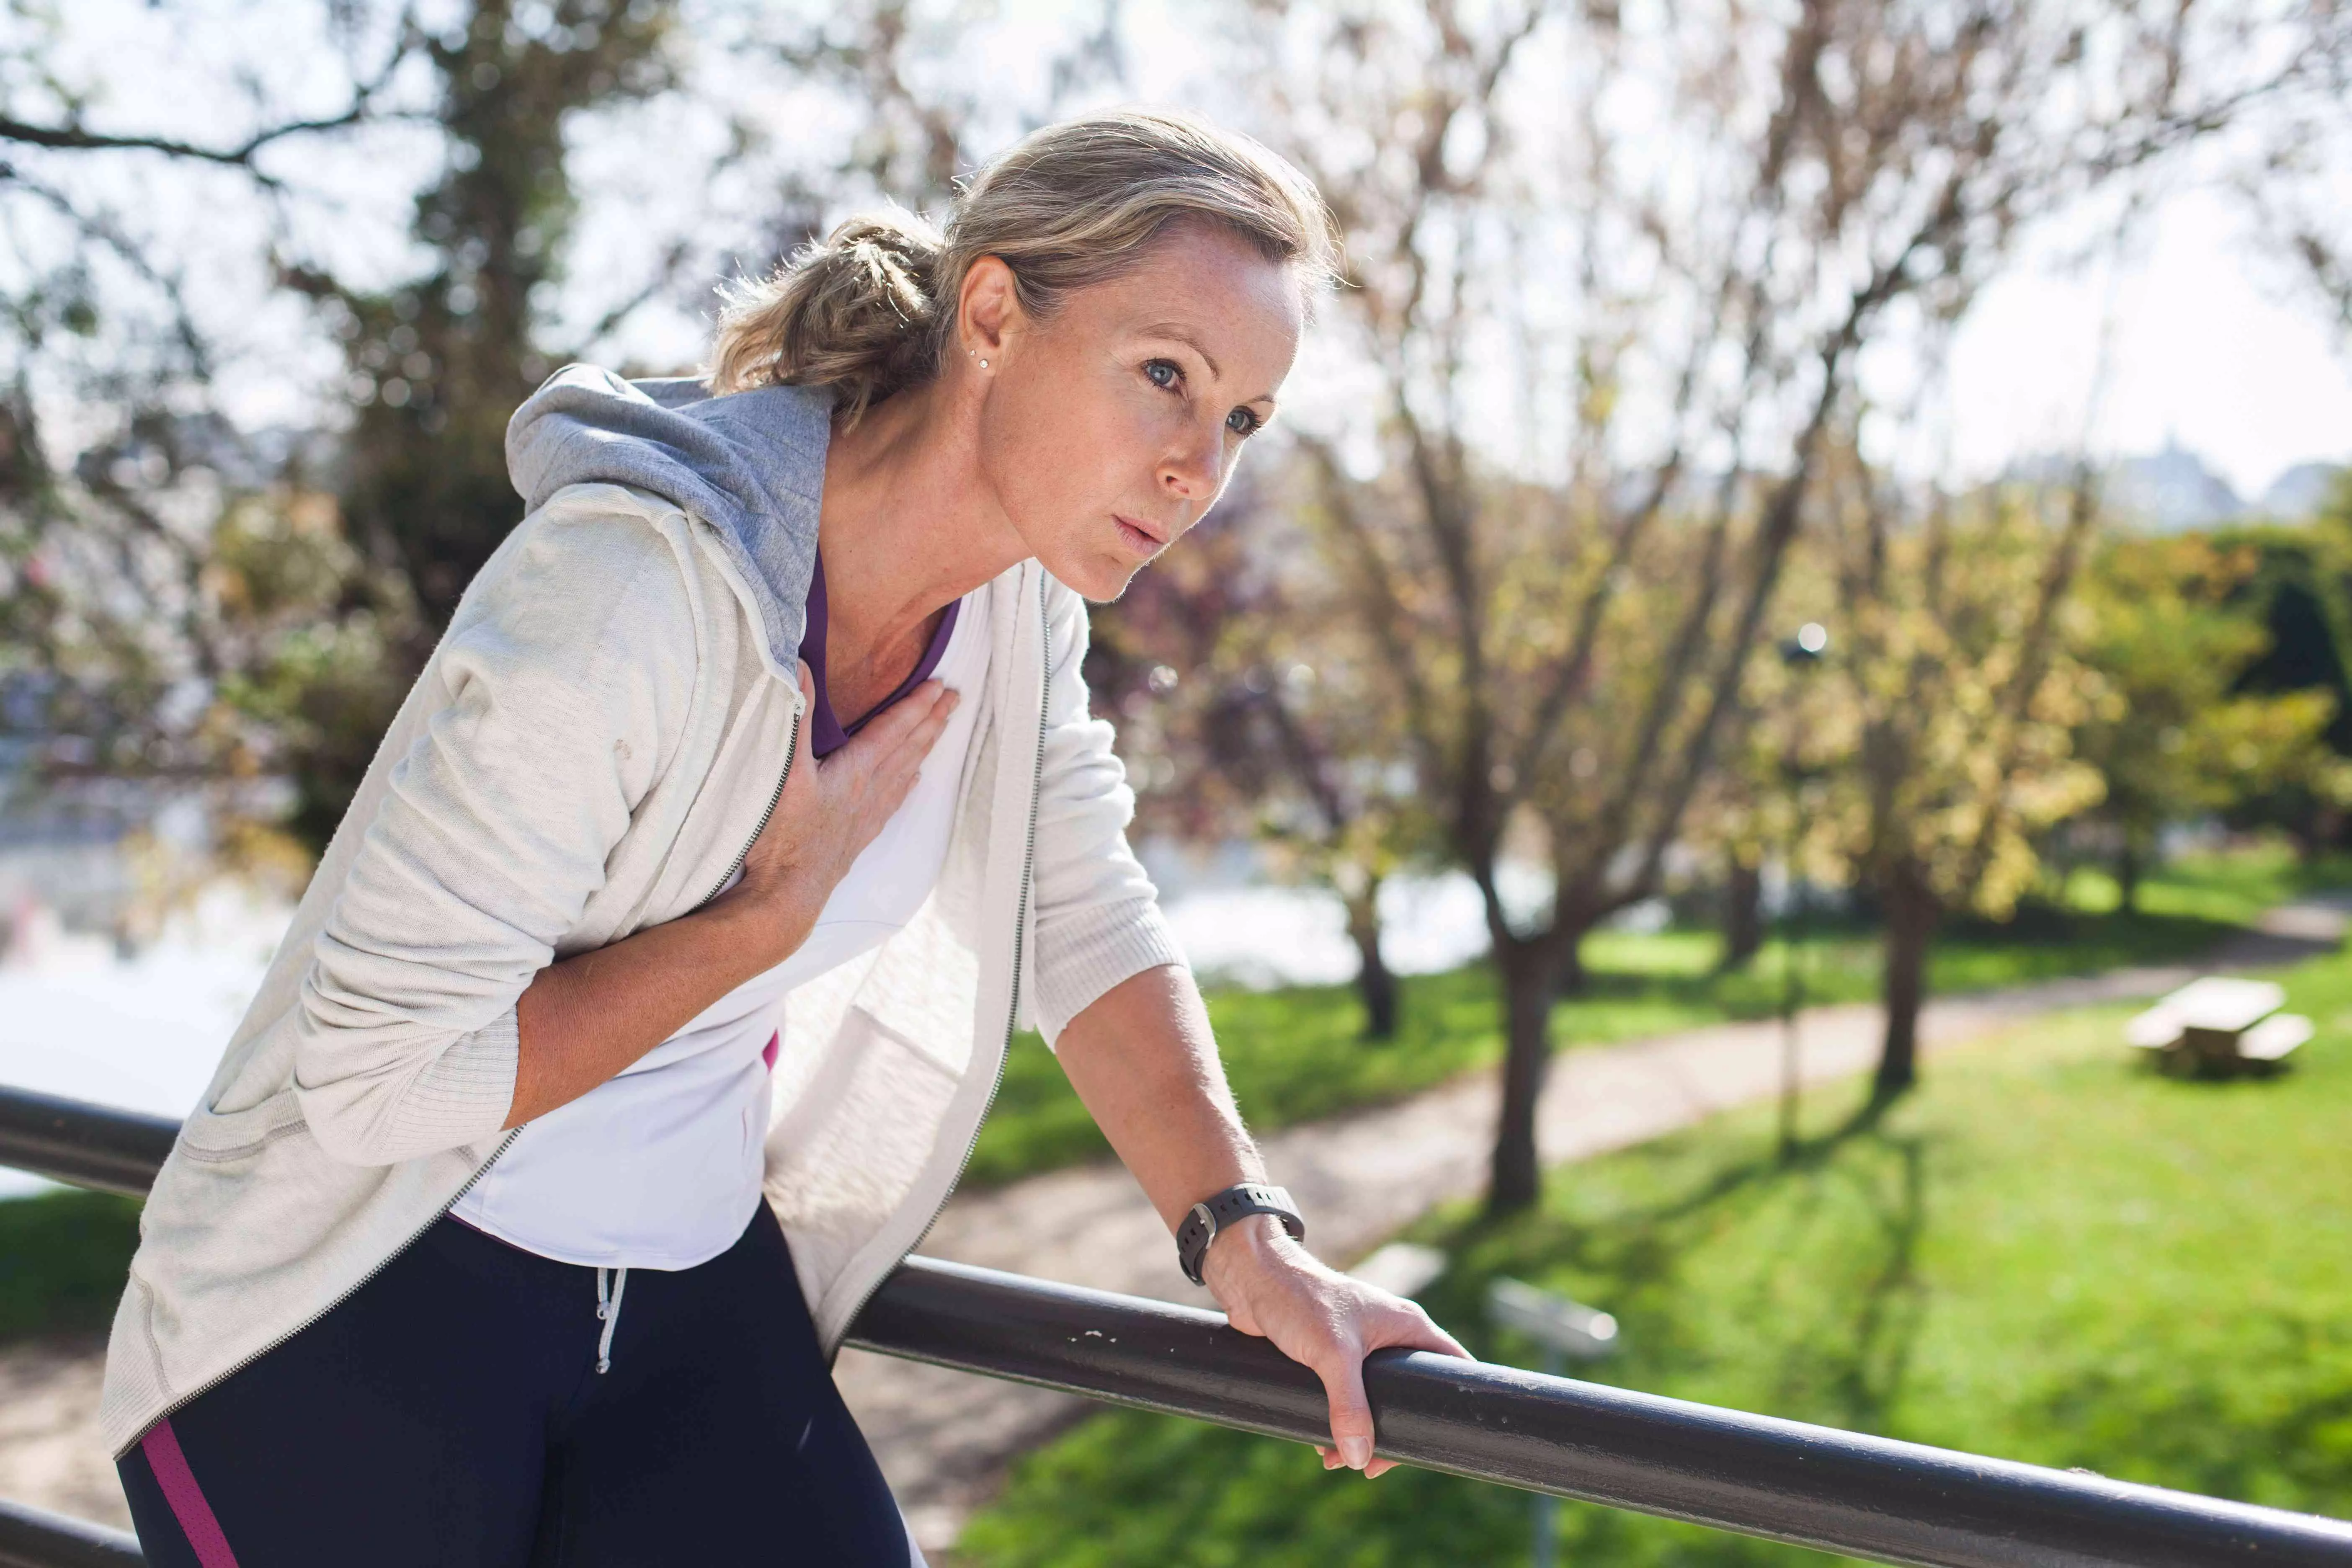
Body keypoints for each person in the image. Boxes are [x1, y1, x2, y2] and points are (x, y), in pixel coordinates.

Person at [101, 108, 1469, 1567]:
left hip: (688, 1298)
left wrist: (1246, 1236)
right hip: (354, 1310)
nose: (1201, 466)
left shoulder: (1014, 611)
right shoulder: (633, 591)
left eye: (1242, 418)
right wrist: (757, 928)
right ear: (995, 314)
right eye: (1165, 377)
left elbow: (1079, 917)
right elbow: (379, 1081)